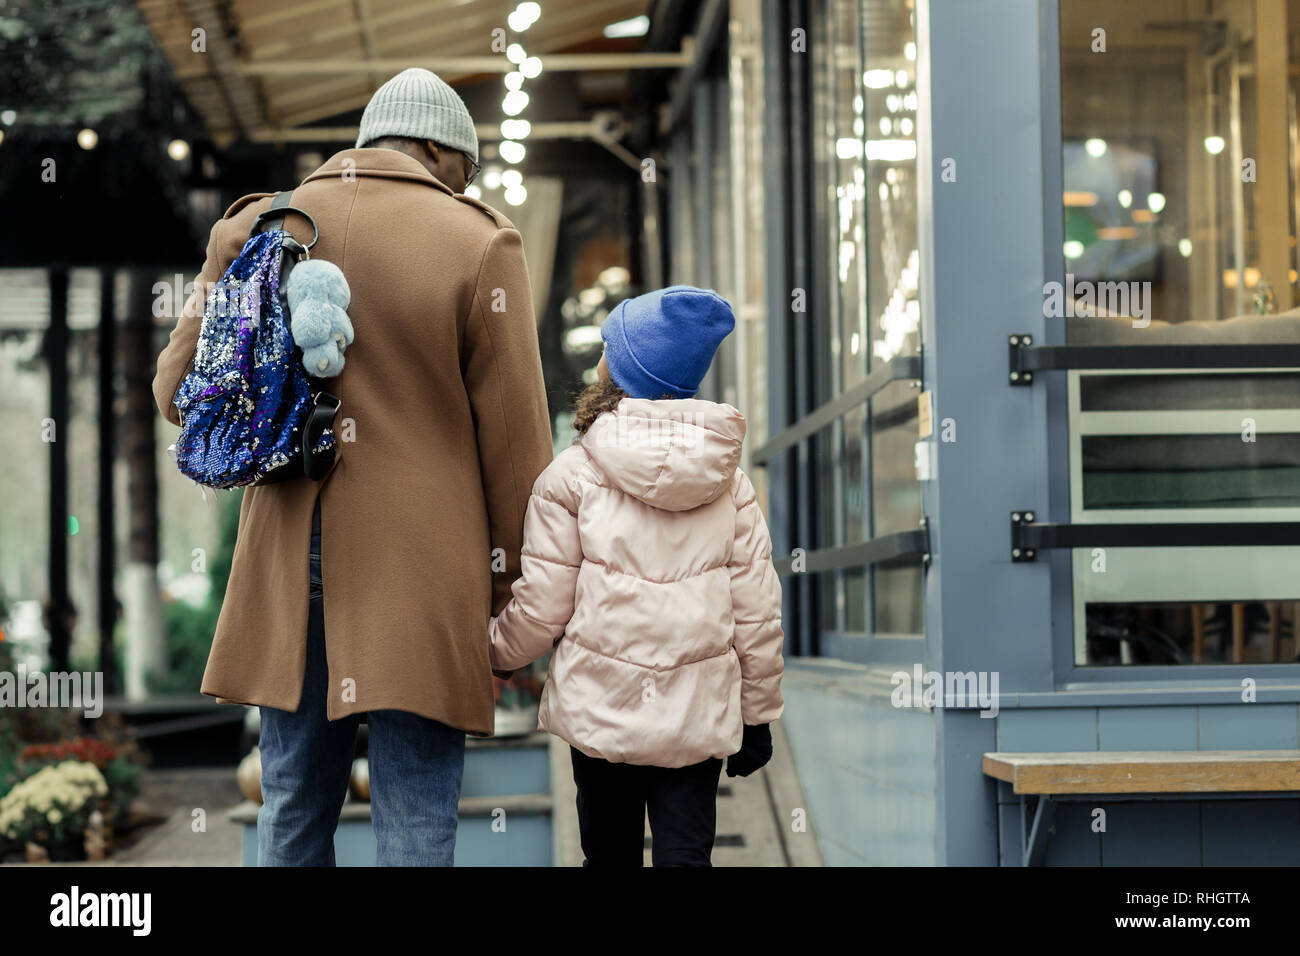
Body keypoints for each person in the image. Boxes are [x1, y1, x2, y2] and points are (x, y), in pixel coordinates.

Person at [152, 68, 553, 866]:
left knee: (293, 804)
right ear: (442, 152)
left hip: (287, 560)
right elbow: (516, 450)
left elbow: (176, 392)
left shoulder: (260, 228)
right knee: (415, 818)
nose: (466, 184)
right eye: (467, 168)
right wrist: (518, 602)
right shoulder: (479, 243)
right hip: (423, 570)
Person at [488, 286, 785, 867]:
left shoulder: (570, 476)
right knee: (685, 857)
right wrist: (758, 714)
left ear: (620, 369)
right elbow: (757, 613)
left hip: (604, 712)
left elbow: (543, 605)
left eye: (608, 347)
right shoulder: (732, 485)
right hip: (694, 716)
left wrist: (490, 653)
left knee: (608, 856)